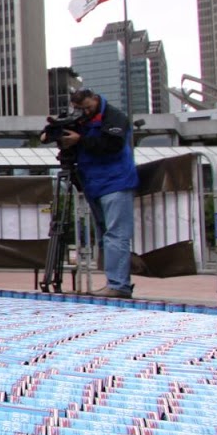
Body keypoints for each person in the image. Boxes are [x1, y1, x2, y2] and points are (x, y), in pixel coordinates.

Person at [55, 88, 137, 298]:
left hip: (115, 181)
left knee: (116, 234)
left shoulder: (115, 117)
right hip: (94, 183)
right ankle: (115, 282)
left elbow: (113, 145)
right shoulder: (83, 119)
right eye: (81, 109)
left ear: (95, 98)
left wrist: (80, 140)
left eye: (88, 107)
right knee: (105, 235)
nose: (86, 112)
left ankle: (119, 285)